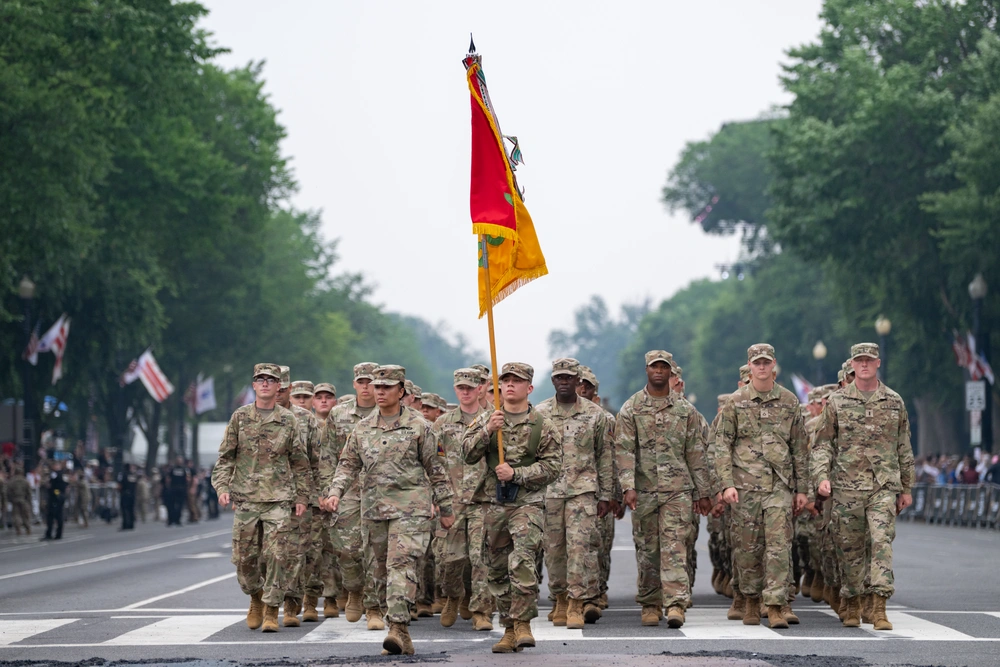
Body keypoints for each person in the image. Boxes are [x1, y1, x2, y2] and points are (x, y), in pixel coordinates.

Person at [324, 365, 454, 656]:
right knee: (379, 570)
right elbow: (347, 465)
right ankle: (400, 630)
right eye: (376, 386)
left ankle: (397, 628)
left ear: (401, 391)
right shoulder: (362, 428)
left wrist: (446, 508)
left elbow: (437, 470)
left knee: (400, 565)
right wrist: (334, 492)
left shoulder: (420, 426)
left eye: (386, 387)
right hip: (374, 511)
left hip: (411, 509)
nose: (379, 391)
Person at [813, 342, 915, 631]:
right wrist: (821, 477)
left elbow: (904, 447)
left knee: (881, 541)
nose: (865, 364)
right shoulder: (837, 402)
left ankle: (879, 605)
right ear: (853, 364)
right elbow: (822, 445)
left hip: (883, 486)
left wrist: (906, 487)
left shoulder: (894, 401)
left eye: (869, 359)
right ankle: (853, 602)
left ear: (878, 362)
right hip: (846, 488)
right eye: (859, 360)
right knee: (850, 549)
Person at [463, 362, 562, 653]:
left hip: (527, 503)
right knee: (495, 569)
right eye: (505, 380)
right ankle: (507, 626)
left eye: (516, 381)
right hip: (494, 503)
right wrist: (486, 431)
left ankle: (523, 624)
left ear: (529, 388)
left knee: (521, 561)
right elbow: (466, 454)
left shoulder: (543, 424)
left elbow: (554, 466)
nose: (509, 385)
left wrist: (517, 474)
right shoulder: (487, 419)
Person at [211, 363, 310, 633]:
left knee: (277, 555)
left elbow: (300, 461)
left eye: (271, 380)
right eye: (260, 379)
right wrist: (222, 488)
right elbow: (225, 459)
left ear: (280, 387)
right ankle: (254, 596)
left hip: (279, 499)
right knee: (244, 559)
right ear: (254, 385)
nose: (265, 383)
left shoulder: (288, 420)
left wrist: (302, 496)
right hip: (245, 499)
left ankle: (271, 608)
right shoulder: (240, 418)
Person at [715, 344, 808, 628]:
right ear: (750, 366)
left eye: (766, 362)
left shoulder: (789, 401)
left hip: (779, 487)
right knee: (748, 549)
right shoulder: (736, 401)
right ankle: (751, 602)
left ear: (774, 365)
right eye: (757, 363)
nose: (762, 367)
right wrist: (726, 484)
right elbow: (721, 445)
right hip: (745, 487)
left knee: (779, 547)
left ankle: (777, 605)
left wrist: (802, 489)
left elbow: (800, 448)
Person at [617, 350, 712, 629]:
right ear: (646, 370)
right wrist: (627, 487)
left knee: (675, 547)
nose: (658, 371)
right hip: (644, 491)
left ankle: (675, 604)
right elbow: (624, 451)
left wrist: (703, 492)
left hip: (677, 490)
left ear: (671, 372)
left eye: (663, 367)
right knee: (648, 549)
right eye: (653, 366)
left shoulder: (685, 410)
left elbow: (695, 453)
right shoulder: (631, 408)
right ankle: (649, 603)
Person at [535, 358, 613, 628]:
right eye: (559, 377)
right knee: (554, 550)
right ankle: (559, 599)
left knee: (579, 548)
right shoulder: (539, 413)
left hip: (583, 491)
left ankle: (577, 603)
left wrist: (606, 494)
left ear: (578, 381)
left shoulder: (594, 414)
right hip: (550, 492)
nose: (564, 382)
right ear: (553, 380)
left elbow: (604, 456)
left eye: (569, 377)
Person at [319, 362, 380, 627]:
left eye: (371, 382)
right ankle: (354, 589)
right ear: (354, 384)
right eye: (362, 382)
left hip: (382, 492)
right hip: (347, 492)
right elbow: (327, 455)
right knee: (346, 549)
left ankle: (374, 605)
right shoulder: (338, 414)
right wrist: (327, 490)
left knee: (378, 551)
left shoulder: (390, 413)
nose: (366, 387)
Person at [434, 368, 489, 628]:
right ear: (455, 389)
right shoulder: (442, 424)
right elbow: (432, 463)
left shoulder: (492, 421)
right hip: (452, 499)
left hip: (483, 499)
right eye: (461, 388)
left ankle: (480, 610)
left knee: (480, 558)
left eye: (470, 387)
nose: (465, 392)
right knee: (450, 559)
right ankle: (455, 597)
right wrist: (435, 498)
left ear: (481, 389)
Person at [281, 377, 323, 626]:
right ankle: (269, 598)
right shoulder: (250, 416)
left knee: (306, 552)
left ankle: (299, 603)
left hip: (304, 495)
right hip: (271, 495)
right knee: (274, 554)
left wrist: (319, 493)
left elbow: (318, 461)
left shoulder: (306, 419)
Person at [42, 459, 69, 540]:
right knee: (59, 515)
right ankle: (58, 534)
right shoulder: (63, 475)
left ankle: (50, 534)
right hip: (60, 496)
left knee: (52, 516)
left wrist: (53, 490)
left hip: (55, 497)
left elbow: (52, 484)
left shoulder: (55, 474)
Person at [8, 465, 32, 536]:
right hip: (23, 500)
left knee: (16, 515)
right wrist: (29, 501)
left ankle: (18, 529)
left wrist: (11, 499)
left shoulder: (12, 481)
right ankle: (27, 528)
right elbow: (29, 492)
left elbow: (8, 491)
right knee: (25, 515)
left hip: (15, 500)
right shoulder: (25, 481)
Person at [166, 456, 189, 526]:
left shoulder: (184, 469)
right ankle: (172, 520)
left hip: (181, 489)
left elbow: (187, 479)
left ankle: (177, 520)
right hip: (174, 489)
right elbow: (168, 479)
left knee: (180, 506)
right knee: (172, 505)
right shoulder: (173, 469)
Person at [118, 463, 138, 530]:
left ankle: (125, 524)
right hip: (132, 494)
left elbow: (120, 484)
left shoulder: (123, 474)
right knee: (131, 510)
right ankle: (131, 524)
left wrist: (119, 491)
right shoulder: (133, 475)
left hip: (125, 494)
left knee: (125, 510)